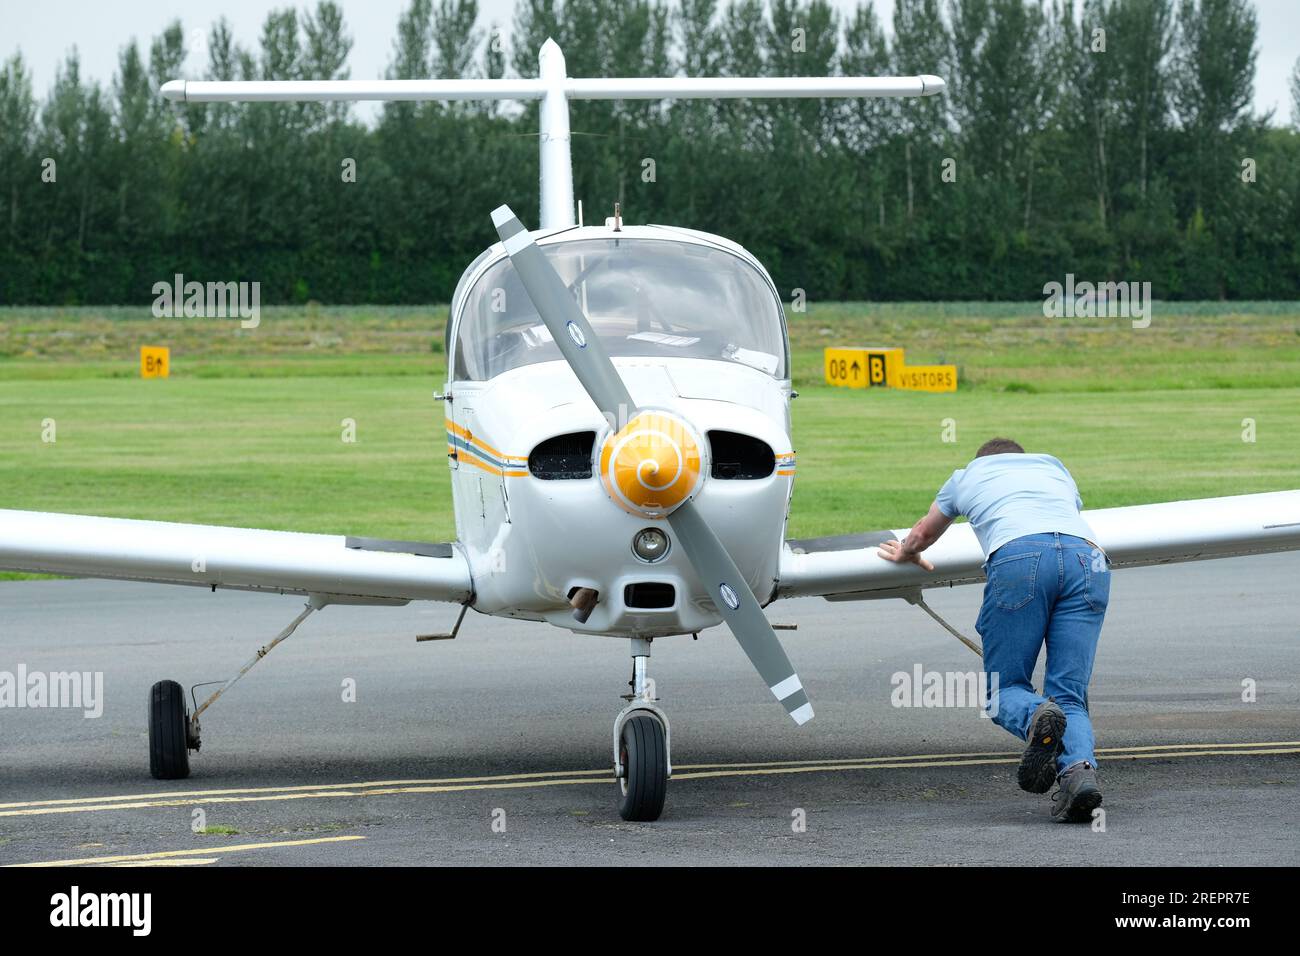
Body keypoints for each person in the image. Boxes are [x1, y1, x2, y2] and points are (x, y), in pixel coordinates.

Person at [877, 438, 1111, 823]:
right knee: (1069, 695)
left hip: (1020, 556)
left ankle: (1037, 716)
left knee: (1005, 691)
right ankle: (1079, 776)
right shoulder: (1053, 466)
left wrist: (907, 552)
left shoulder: (966, 475)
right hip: (1089, 559)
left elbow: (923, 533)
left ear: (981, 460)